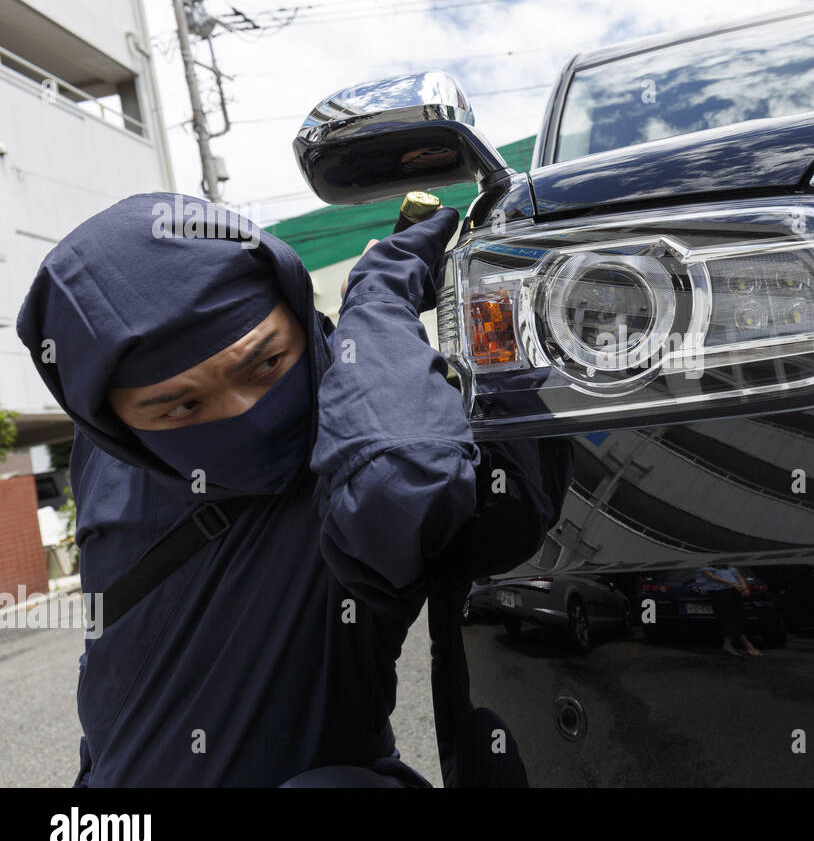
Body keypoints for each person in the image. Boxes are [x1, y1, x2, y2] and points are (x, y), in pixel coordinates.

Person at [16, 192, 569, 787]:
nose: (246, 415)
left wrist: (377, 303)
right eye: (180, 406)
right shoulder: (106, 454)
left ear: (300, 316)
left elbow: (405, 482)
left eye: (264, 365)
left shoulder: (350, 445)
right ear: (110, 422)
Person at [699, 564, 761, 657]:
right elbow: (713, 578)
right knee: (729, 619)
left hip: (733, 593)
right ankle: (748, 645)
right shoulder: (706, 569)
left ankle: (727, 645)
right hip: (720, 594)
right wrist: (733, 584)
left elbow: (739, 577)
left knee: (737, 618)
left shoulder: (731, 569)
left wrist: (744, 587)